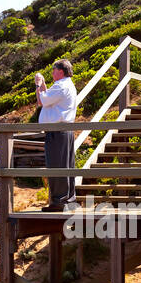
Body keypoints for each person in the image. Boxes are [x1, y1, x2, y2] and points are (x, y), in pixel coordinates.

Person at [35, 59, 78, 211]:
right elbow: (47, 99)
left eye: (54, 70)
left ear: (61, 71)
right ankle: (69, 200)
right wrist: (44, 86)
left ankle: (59, 203)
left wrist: (38, 84)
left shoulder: (60, 85)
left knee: (56, 166)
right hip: (65, 131)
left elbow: (41, 100)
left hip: (57, 132)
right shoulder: (67, 85)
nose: (52, 73)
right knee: (67, 166)